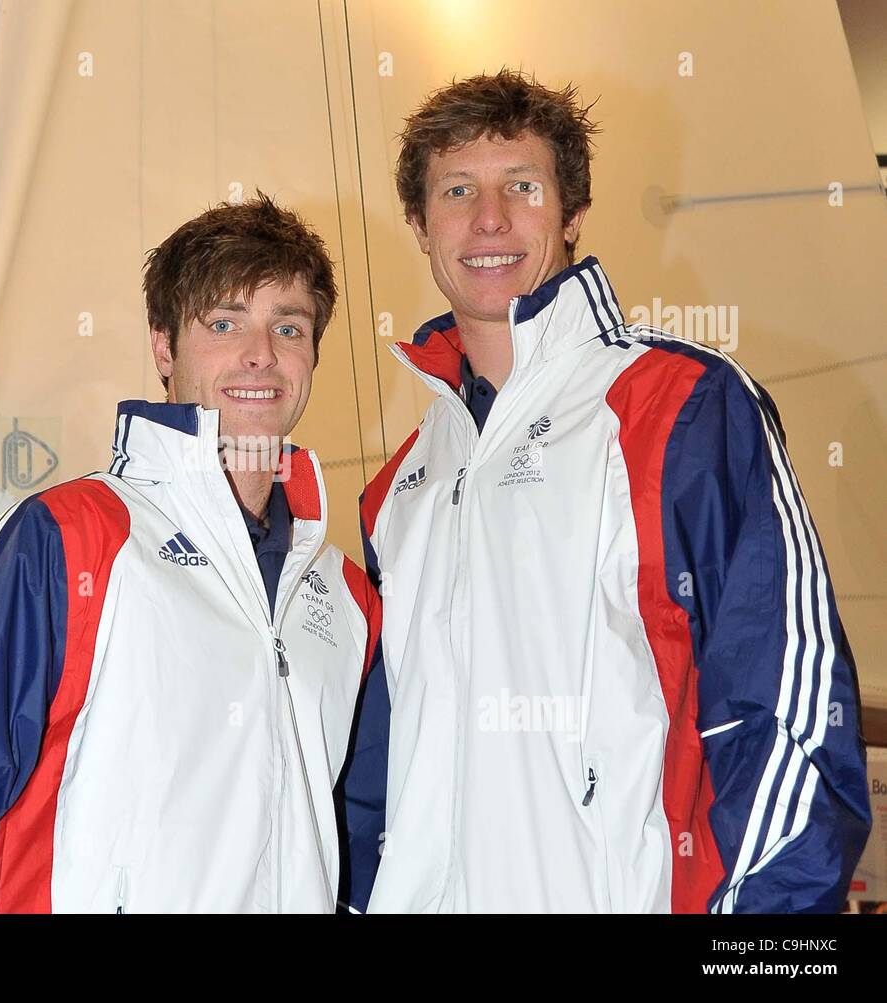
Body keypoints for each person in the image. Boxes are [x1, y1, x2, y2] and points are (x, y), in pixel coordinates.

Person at [341, 70, 870, 913]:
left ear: (572, 210)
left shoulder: (682, 406)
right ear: (419, 224)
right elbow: (375, 771)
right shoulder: (399, 486)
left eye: (522, 185)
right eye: (456, 190)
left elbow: (788, 705)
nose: (490, 219)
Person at [0, 193, 380, 913]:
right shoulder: (67, 537)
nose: (260, 354)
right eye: (225, 321)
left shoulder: (348, 599)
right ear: (164, 347)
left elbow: (370, 845)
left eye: (288, 326)